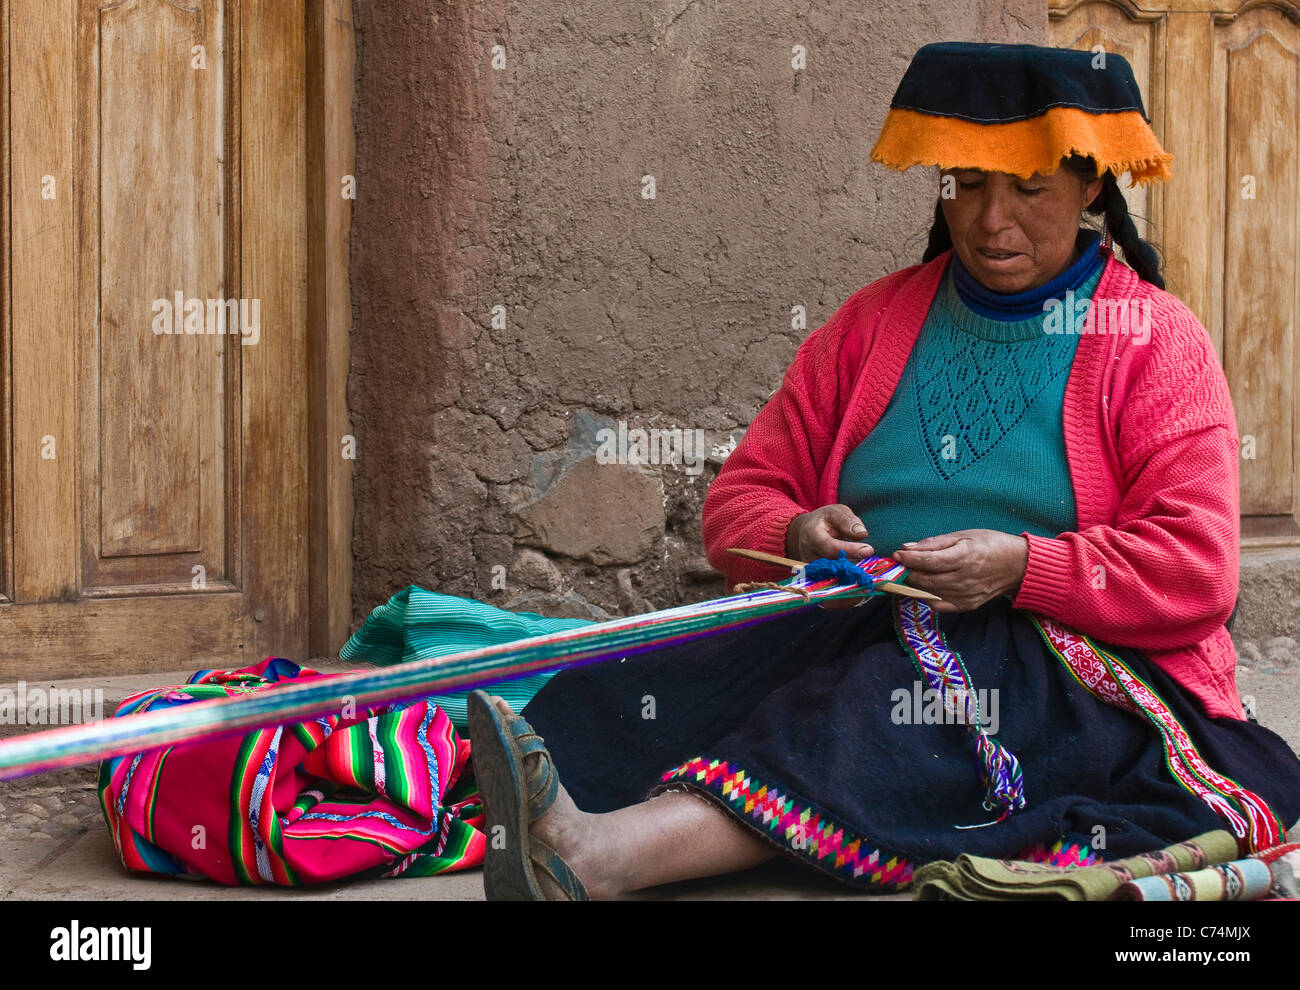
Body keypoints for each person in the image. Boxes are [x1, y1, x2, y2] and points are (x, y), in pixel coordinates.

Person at [467, 41, 1300, 900]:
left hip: (1065, 667)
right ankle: (546, 812)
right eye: (968, 185)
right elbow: (739, 504)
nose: (991, 221)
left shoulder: (1154, 340)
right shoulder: (873, 324)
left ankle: (601, 859)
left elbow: (1198, 570)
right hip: (857, 616)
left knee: (875, 717)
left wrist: (1022, 565)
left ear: (1091, 188)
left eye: (1029, 189)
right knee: (638, 686)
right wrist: (795, 530)